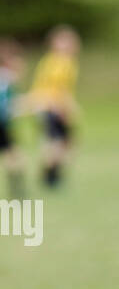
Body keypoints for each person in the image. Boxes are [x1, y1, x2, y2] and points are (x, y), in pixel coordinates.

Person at [27, 25, 81, 187]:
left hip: (46, 106)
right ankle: (50, 178)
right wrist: (67, 108)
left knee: (60, 143)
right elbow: (57, 89)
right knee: (58, 143)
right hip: (52, 107)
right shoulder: (60, 63)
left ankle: (51, 176)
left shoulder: (51, 61)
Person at [0, 39, 26, 198]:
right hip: (2, 123)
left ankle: (16, 189)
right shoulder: (8, 78)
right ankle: (17, 190)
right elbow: (9, 104)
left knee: (13, 156)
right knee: (15, 157)